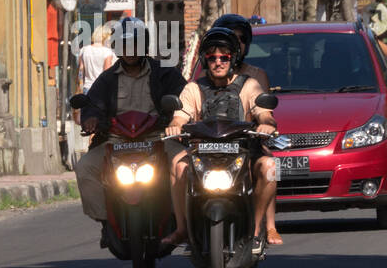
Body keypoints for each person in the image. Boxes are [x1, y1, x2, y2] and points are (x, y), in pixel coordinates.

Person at [162, 28, 279, 253]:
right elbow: (181, 115)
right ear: (205, 60)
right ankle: (182, 228)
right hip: (202, 153)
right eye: (212, 57)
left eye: (224, 57)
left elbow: (264, 112)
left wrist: (266, 122)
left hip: (243, 152)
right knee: (177, 164)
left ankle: (255, 229)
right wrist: (175, 123)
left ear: (233, 58)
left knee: (272, 167)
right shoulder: (194, 88)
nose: (218, 62)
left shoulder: (249, 85)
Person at [73, 17, 187, 246]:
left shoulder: (164, 72)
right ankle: (108, 223)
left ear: (144, 46)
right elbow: (92, 103)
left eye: (135, 44)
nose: (130, 50)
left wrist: (177, 119)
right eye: (125, 45)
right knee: (85, 167)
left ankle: (182, 219)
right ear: (117, 48)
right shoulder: (107, 79)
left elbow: (184, 96)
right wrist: (90, 119)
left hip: (158, 138)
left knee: (185, 165)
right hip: (116, 141)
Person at [78, 20, 117, 96]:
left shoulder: (84, 50)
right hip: (101, 89)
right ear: (104, 37)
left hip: (87, 88)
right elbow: (107, 73)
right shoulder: (107, 52)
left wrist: (80, 86)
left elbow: (81, 69)